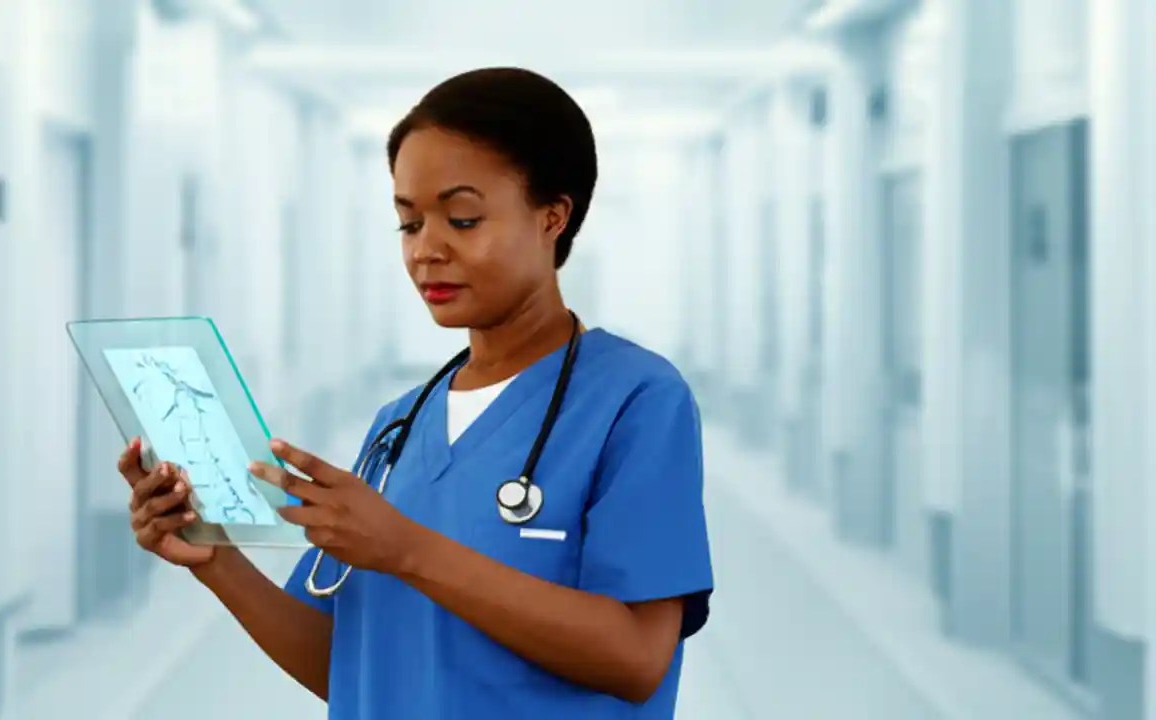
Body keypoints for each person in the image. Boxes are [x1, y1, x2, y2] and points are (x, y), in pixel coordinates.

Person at [118, 67, 714, 719]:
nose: (427, 250)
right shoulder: (399, 427)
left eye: (462, 219)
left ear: (553, 215)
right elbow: (345, 664)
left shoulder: (636, 401)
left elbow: (636, 660)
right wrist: (215, 563)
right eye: (409, 224)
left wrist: (406, 548)